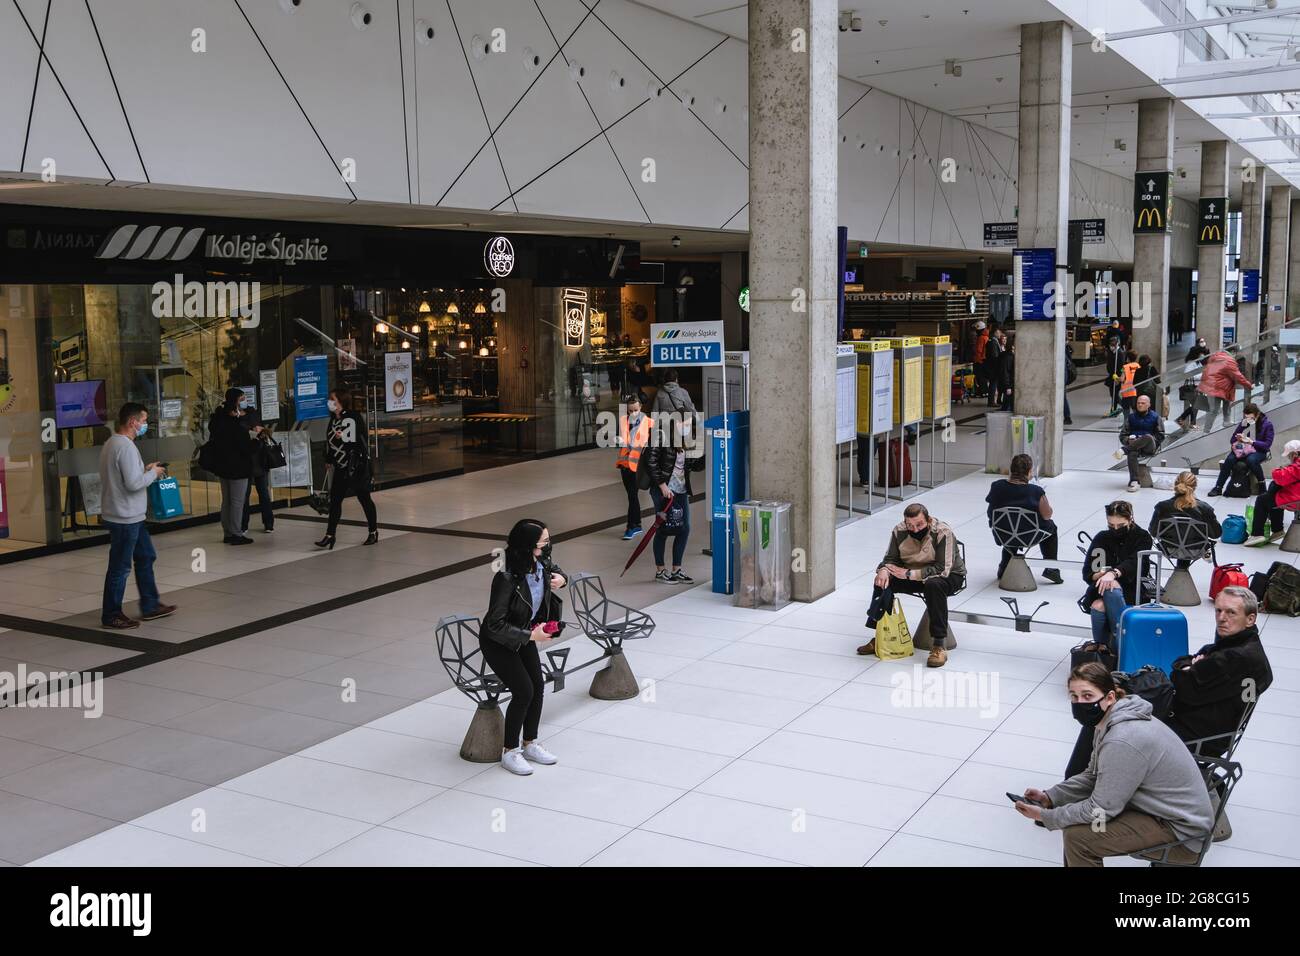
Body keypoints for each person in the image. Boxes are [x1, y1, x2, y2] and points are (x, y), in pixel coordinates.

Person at [1013, 662, 1214, 867]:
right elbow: (1093, 775)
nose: (1079, 703)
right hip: (1161, 811)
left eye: (1087, 696)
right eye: (1074, 696)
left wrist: (1047, 816)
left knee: (1078, 838)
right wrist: (1050, 797)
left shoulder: (1122, 739)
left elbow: (1100, 809)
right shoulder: (1110, 720)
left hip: (1182, 833)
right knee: (1079, 828)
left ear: (1110, 697)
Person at [480, 519, 567, 776]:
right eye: (543, 542)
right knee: (524, 691)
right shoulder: (506, 577)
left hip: (526, 633)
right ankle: (510, 752)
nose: (548, 546)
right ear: (527, 546)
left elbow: (558, 571)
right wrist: (530, 635)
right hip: (499, 641)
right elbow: (494, 624)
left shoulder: (542, 562)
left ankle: (530, 743)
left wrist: (563, 579)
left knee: (537, 686)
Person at [1166, 586, 1273, 755]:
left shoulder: (1235, 657)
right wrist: (1190, 667)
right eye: (1218, 611)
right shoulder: (1244, 646)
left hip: (1199, 736)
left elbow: (1180, 685)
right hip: (1208, 726)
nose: (1221, 618)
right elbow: (1188, 662)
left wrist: (1188, 668)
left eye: (1231, 613)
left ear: (1250, 619)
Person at [860, 503, 966, 668]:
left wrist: (909, 574)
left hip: (949, 577)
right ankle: (880, 636)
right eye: (910, 525)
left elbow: (942, 569)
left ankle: (939, 645)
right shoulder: (899, 531)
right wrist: (883, 570)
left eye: (919, 524)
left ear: (928, 520)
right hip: (912, 574)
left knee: (933, 585)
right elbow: (890, 559)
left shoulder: (942, 531)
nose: (915, 529)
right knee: (883, 581)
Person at [99, 402, 174, 630]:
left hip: (130, 515)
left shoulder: (112, 443)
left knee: (146, 556)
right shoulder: (125, 447)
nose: (144, 424)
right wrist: (153, 473)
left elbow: (125, 477)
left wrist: (145, 471)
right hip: (125, 517)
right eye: (143, 420)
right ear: (132, 422)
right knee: (120, 567)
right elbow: (133, 484)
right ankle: (111, 614)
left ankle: (150, 604)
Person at [1079, 501, 1153, 655]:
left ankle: (1108, 649)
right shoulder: (1102, 538)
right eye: (1111, 525)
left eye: (1120, 525)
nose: (1116, 529)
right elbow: (1088, 572)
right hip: (1102, 588)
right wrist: (1100, 574)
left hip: (1134, 587)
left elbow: (1135, 562)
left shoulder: (1142, 537)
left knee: (1103, 599)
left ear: (1130, 519)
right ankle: (1120, 646)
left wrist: (1113, 573)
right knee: (1102, 598)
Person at [638, 416, 702, 583]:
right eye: (684, 424)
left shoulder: (687, 440)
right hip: (663, 490)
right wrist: (662, 485)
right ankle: (660, 571)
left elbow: (692, 465)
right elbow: (650, 461)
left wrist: (706, 455)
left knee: (684, 528)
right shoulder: (661, 435)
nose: (687, 427)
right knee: (662, 529)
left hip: (681, 489)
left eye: (689, 425)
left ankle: (676, 569)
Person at [315, 386, 379, 549]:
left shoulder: (352, 417)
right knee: (335, 501)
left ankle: (373, 531)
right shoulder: (333, 419)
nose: (329, 402)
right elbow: (331, 442)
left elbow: (358, 439)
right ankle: (330, 535)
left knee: (364, 499)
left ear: (341, 401)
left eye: (332, 399)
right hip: (341, 467)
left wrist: (343, 436)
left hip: (355, 466)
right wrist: (329, 459)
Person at [985, 453, 1061, 584]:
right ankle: (1051, 568)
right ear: (1029, 472)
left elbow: (990, 512)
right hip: (1029, 535)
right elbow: (1047, 515)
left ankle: (1005, 566)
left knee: (1010, 523)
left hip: (1003, 534)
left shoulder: (997, 486)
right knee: (1051, 527)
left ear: (1011, 470)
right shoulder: (1035, 491)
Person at [207, 388, 261, 545]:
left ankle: (228, 532)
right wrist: (258, 440)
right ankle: (237, 533)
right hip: (238, 467)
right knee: (237, 502)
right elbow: (245, 447)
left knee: (226, 501)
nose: (244, 402)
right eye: (242, 399)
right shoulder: (235, 424)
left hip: (222, 466)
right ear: (236, 402)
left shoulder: (218, 419)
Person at [1148, 471, 1220, 569]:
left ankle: (1180, 570)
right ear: (1194, 487)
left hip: (1169, 549)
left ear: (1176, 484)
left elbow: (1153, 532)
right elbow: (1216, 534)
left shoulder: (1162, 507)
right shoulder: (1205, 508)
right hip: (1196, 550)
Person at [1207, 403, 1273, 497]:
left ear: (1257, 414)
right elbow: (1232, 440)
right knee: (1230, 459)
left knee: (1251, 459)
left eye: (1251, 418)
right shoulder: (1245, 422)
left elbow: (1267, 445)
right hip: (1242, 449)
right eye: (1246, 417)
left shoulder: (1267, 425)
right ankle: (1218, 487)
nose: (1249, 420)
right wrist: (1240, 435)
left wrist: (1251, 442)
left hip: (1259, 450)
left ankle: (1262, 486)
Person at [1244, 438, 1300, 547]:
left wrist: (1278, 470)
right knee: (1274, 496)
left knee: (1262, 500)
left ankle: (1257, 534)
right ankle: (1277, 530)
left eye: (1289, 456)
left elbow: (1280, 476)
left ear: (1294, 454)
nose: (1289, 459)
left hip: (1297, 498)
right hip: (1296, 494)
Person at [615, 393, 652, 540]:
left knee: (632, 495)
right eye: (630, 411)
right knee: (631, 495)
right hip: (625, 465)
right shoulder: (623, 421)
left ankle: (632, 526)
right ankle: (635, 524)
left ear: (641, 407)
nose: (633, 413)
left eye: (635, 410)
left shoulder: (648, 422)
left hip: (638, 465)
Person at [1115, 393, 1164, 493]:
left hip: (1150, 446)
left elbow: (1161, 435)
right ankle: (1134, 481)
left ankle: (1124, 450)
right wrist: (1128, 440)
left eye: (1143, 403)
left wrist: (1146, 439)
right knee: (1132, 453)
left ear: (1149, 405)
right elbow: (1123, 435)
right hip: (1135, 447)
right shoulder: (1131, 417)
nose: (1140, 405)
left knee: (1147, 437)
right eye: (1138, 403)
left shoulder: (1155, 417)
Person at [1196, 348, 1252, 432]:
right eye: (1236, 353)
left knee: (1224, 404)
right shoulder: (1229, 360)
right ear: (1233, 352)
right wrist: (1248, 385)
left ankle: (1226, 421)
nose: (1236, 356)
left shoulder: (1215, 357)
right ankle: (1206, 430)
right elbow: (1238, 376)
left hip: (1215, 386)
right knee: (1214, 410)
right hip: (1218, 387)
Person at [240, 404, 275, 535]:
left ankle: (245, 525)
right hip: (254, 460)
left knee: (252, 494)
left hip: (255, 460)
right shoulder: (252, 415)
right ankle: (267, 524)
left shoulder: (249, 415)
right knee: (255, 494)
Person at [984, 327, 1004, 407]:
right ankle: (991, 402)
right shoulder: (993, 342)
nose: (1000, 334)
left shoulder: (993, 341)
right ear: (995, 333)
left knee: (994, 384)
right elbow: (994, 355)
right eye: (999, 332)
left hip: (992, 366)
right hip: (993, 367)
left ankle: (992, 400)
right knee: (993, 384)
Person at [1105, 337, 1125, 415]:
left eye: (1113, 345)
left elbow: (1122, 366)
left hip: (1117, 376)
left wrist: (1118, 378)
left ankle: (1113, 410)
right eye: (1110, 345)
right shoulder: (1111, 352)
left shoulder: (1120, 353)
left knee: (1115, 394)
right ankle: (1122, 406)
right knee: (1112, 394)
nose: (1111, 346)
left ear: (1117, 344)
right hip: (1111, 375)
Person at [1117, 349, 1140, 415]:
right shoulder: (1138, 366)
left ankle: (1126, 420)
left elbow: (1122, 379)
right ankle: (1136, 419)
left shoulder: (1125, 367)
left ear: (1128, 358)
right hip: (1135, 390)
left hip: (1126, 391)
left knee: (1126, 408)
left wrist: (1116, 378)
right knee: (1135, 408)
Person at [997, 331, 1015, 411]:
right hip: (1009, 387)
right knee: (1007, 408)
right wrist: (1008, 387)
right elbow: (1005, 372)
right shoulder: (1007, 357)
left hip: (1010, 386)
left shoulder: (1011, 355)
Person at [972, 320, 990, 398]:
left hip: (979, 361)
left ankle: (982, 392)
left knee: (980, 377)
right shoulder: (986, 337)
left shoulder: (981, 338)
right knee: (983, 378)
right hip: (984, 360)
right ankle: (984, 392)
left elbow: (979, 350)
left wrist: (977, 360)